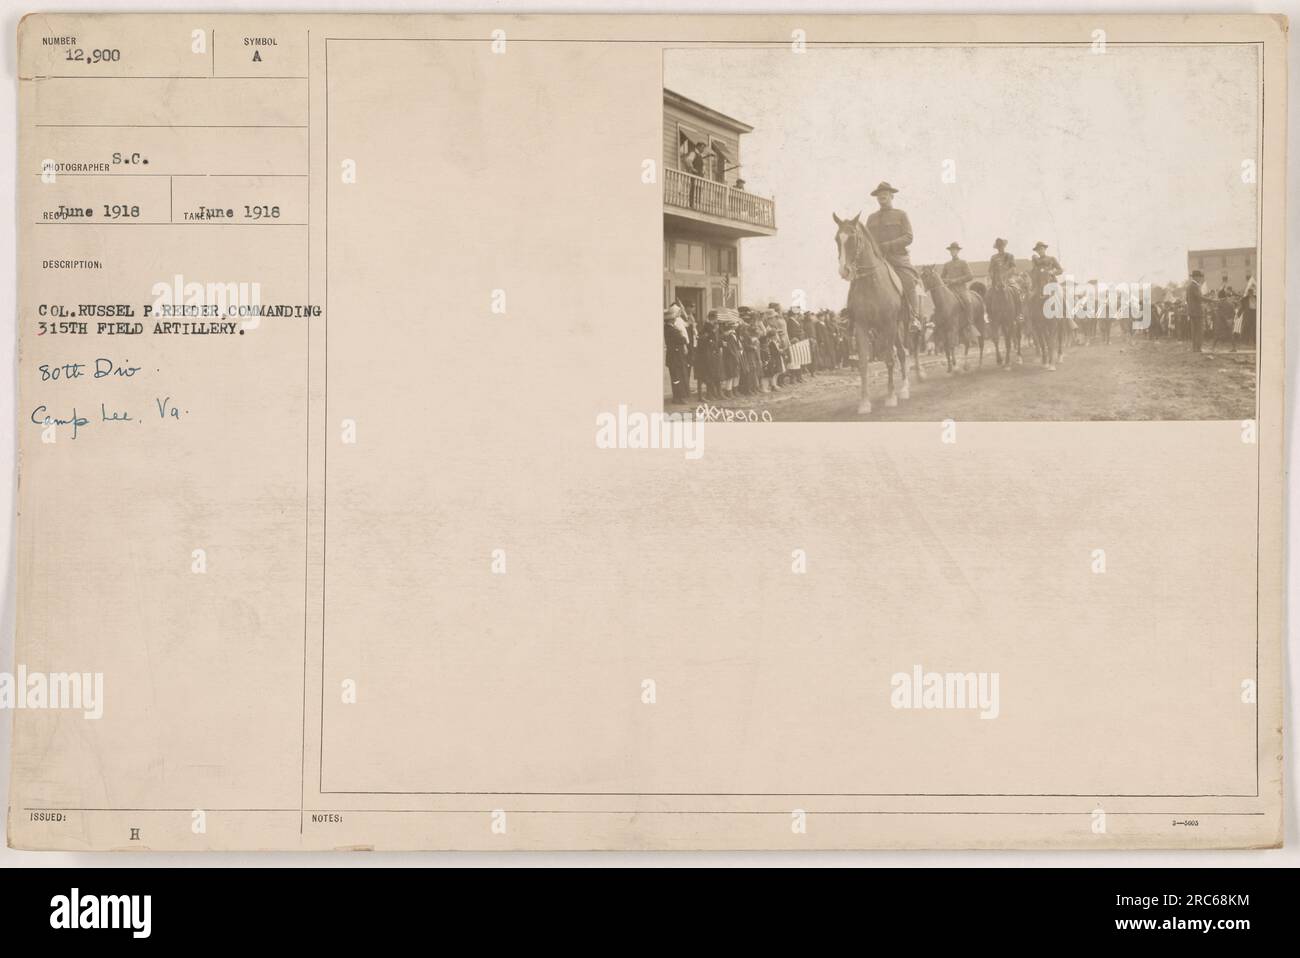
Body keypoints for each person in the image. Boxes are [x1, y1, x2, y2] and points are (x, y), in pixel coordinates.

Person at [865, 181, 920, 331]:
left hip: (898, 258)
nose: (882, 195)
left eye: (885, 193)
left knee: (908, 281)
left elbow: (909, 237)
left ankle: (914, 317)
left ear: (891, 196)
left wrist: (888, 245)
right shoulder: (871, 218)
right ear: (876, 198)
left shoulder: (901, 215)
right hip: (877, 259)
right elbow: (866, 240)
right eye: (879, 194)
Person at [663, 306, 690, 404]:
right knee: (677, 378)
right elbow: (681, 339)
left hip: (674, 356)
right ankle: (678, 397)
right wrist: (681, 335)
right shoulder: (670, 330)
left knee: (676, 378)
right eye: (673, 319)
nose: (675, 320)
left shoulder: (670, 328)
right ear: (670, 320)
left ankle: (677, 397)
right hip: (675, 357)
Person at [1186, 268, 1207, 353]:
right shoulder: (1195, 286)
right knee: (1199, 330)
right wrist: (1212, 300)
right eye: (1199, 277)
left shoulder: (1189, 286)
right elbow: (1200, 297)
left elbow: (1187, 299)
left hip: (1192, 312)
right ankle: (1198, 348)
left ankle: (1195, 348)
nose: (1200, 279)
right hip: (1197, 312)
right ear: (1195, 277)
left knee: (1194, 331)